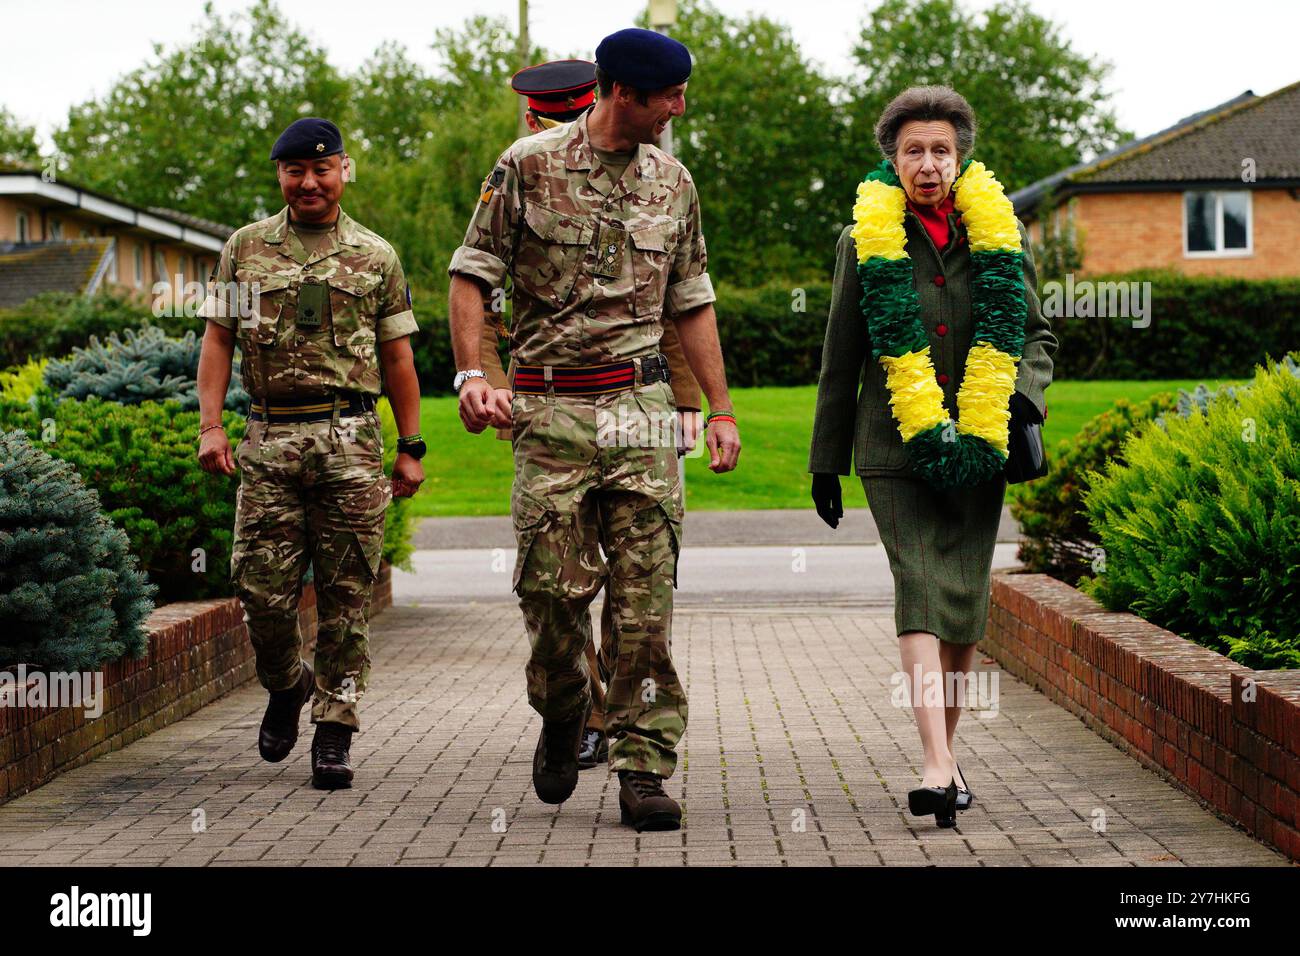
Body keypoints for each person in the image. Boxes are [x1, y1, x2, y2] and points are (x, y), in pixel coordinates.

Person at [448, 28, 740, 832]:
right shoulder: (527, 166)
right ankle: (564, 706)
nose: (679, 108)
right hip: (551, 415)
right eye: (669, 97)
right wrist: (476, 375)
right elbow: (472, 274)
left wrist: (718, 409)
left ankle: (643, 765)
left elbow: (692, 300)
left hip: (641, 414)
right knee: (551, 595)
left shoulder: (674, 182)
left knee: (646, 605)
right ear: (624, 94)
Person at [808, 86, 1057, 827]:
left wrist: (1022, 398)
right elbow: (839, 357)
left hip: (984, 443)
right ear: (893, 158)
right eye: (912, 150)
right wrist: (827, 460)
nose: (926, 163)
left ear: (961, 157)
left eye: (940, 150)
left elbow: (1038, 336)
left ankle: (943, 763)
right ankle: (934, 761)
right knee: (919, 589)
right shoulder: (865, 239)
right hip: (894, 447)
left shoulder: (1001, 233)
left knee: (963, 607)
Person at [196, 117, 426, 790]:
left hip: (349, 440)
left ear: (344, 171)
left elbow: (397, 357)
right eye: (295, 171)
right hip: (268, 438)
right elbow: (217, 339)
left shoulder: (376, 255)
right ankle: (286, 683)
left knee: (345, 597)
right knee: (260, 592)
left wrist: (410, 446)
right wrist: (211, 426)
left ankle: (335, 730)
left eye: (322, 169)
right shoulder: (244, 249)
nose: (309, 182)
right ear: (281, 177)